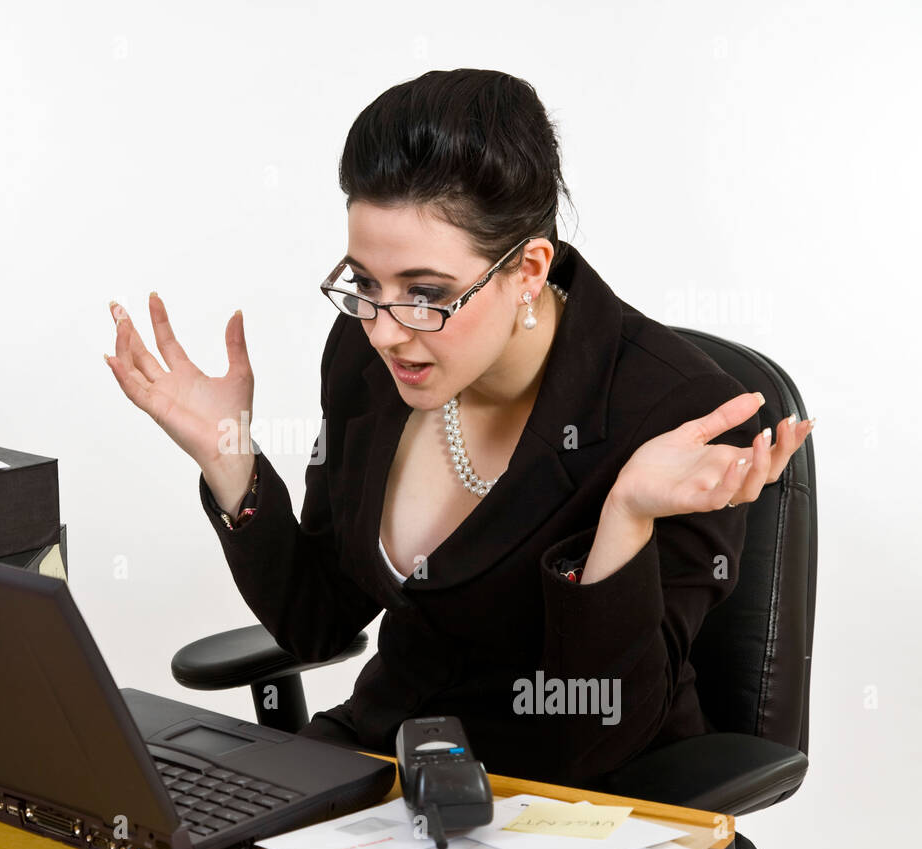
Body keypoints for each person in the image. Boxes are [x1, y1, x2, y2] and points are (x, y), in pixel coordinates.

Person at [104, 69, 813, 790]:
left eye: (426, 294)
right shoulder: (369, 355)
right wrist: (232, 460)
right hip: (388, 764)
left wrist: (624, 517)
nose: (383, 330)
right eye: (365, 283)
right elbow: (319, 618)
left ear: (529, 269)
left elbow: (600, 733)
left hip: (575, 802)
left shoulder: (681, 414)